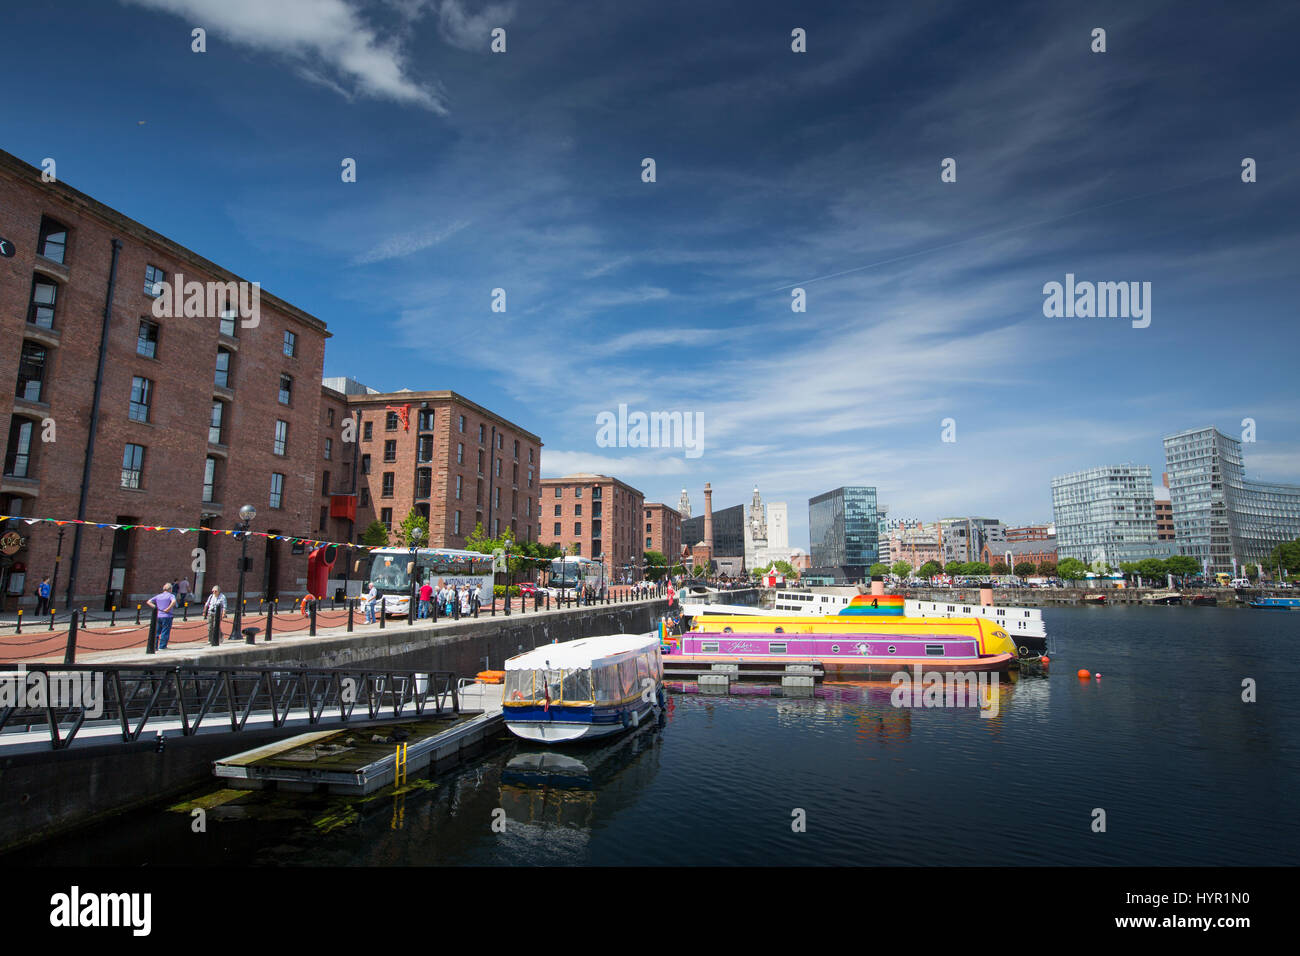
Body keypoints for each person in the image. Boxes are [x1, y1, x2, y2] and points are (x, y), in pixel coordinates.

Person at [148, 583, 177, 649]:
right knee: (165, 631)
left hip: (158, 615)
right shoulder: (171, 595)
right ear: (170, 589)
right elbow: (173, 602)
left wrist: (155, 607)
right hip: (167, 616)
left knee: (157, 632)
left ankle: (154, 646)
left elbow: (149, 601)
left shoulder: (158, 596)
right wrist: (168, 609)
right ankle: (162, 646)